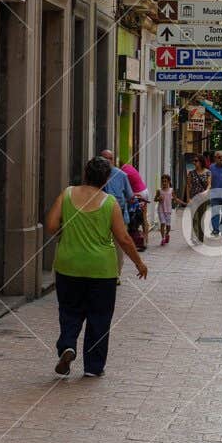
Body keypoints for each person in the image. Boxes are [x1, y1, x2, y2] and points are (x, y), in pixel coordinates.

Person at [45, 155, 147, 379]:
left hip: (68, 266)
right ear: (106, 179)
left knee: (69, 310)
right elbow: (123, 238)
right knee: (99, 317)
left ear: (85, 174)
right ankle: (93, 366)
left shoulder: (68, 193)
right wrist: (139, 263)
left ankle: (68, 346)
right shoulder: (109, 203)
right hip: (101, 271)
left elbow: (51, 224)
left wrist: (66, 236)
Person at [100, 150, 134, 281]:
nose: (108, 161)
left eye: (110, 159)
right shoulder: (96, 176)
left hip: (119, 217)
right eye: (105, 159)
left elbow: (130, 196)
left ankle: (116, 275)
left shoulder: (122, 176)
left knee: (118, 247)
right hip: (100, 217)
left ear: (113, 160)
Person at [121, 158, 149, 248]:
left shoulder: (123, 172)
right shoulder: (129, 167)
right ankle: (146, 238)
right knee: (144, 216)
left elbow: (126, 188)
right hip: (144, 190)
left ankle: (139, 238)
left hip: (140, 192)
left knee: (135, 215)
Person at [207, 150, 222, 237]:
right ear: (215, 158)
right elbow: (208, 180)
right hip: (215, 194)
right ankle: (215, 230)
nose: (221, 159)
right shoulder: (211, 167)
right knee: (215, 212)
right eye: (219, 157)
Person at [154, 174, 174, 246]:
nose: (164, 183)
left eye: (165, 181)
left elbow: (175, 198)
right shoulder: (159, 190)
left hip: (168, 210)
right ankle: (163, 239)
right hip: (161, 209)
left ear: (169, 181)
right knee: (162, 223)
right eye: (163, 181)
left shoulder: (171, 190)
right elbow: (155, 199)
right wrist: (158, 199)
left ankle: (167, 234)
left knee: (168, 225)